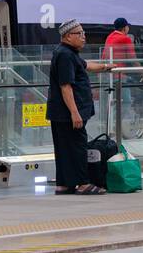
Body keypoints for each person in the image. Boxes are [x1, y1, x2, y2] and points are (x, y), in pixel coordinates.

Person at [48, 20, 116, 195]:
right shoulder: (65, 55)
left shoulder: (68, 53)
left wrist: (106, 67)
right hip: (68, 113)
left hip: (61, 112)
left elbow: (86, 65)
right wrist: (75, 112)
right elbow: (65, 86)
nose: (84, 37)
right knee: (77, 147)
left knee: (64, 148)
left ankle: (64, 184)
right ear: (68, 36)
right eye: (80, 34)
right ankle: (83, 183)